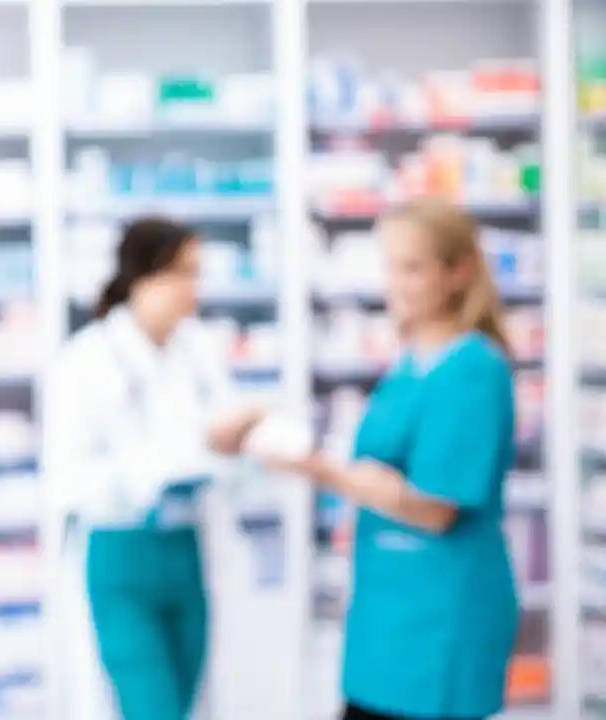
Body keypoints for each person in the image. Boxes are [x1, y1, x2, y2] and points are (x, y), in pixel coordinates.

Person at [272, 198, 519, 720]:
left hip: (441, 619)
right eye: (390, 266)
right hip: (383, 618)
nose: (396, 284)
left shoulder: (473, 368)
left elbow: (436, 507)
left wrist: (323, 470)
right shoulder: (408, 365)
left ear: (458, 272)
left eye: (413, 267)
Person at [46, 217, 267, 720]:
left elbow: (226, 449)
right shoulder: (86, 361)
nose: (196, 288)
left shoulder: (199, 350)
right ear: (143, 276)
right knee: (153, 709)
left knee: (184, 704)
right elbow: (72, 481)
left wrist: (237, 445)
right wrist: (189, 451)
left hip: (187, 552)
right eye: (184, 273)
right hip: (121, 553)